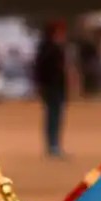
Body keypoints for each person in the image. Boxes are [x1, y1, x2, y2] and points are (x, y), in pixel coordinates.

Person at [33, 20, 70, 158]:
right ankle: (52, 145)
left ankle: (54, 144)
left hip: (56, 87)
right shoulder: (50, 48)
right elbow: (43, 69)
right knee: (53, 116)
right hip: (51, 87)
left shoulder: (51, 47)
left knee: (55, 116)